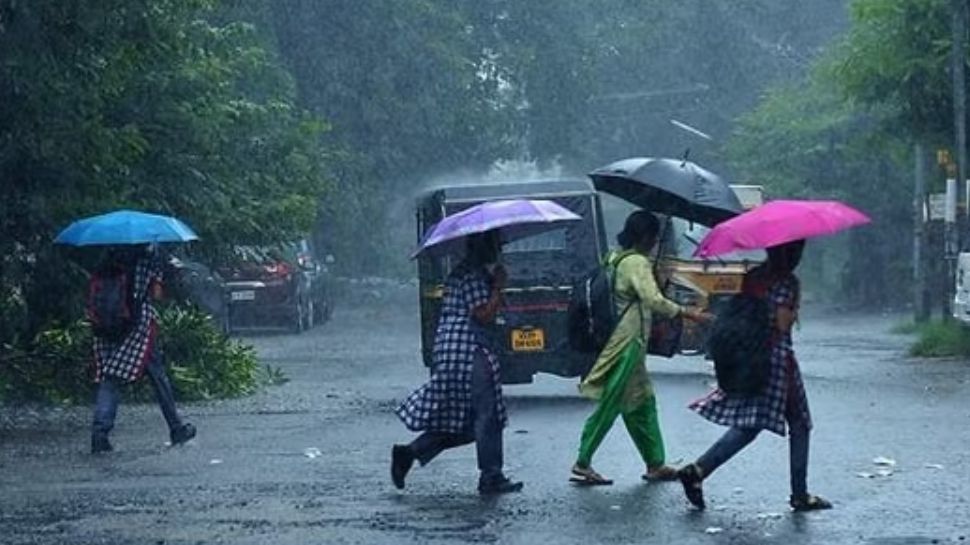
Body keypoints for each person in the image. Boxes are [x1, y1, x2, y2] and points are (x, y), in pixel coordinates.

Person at [677, 240, 832, 512]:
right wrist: (795, 309)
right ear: (792, 253)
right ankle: (800, 494)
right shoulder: (787, 282)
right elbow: (782, 325)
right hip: (777, 360)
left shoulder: (753, 276)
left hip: (750, 356)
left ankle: (699, 470)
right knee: (799, 423)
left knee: (751, 425)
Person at [570, 211, 710, 485]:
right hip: (626, 344)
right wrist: (689, 313)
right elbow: (654, 300)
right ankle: (583, 461)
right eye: (655, 237)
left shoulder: (616, 258)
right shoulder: (636, 263)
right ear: (646, 237)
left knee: (642, 402)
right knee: (612, 402)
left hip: (629, 342)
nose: (656, 242)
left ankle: (655, 462)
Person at [392, 231, 522, 495]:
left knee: (466, 422)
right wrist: (498, 287)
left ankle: (411, 452)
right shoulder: (472, 276)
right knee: (487, 416)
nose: (499, 248)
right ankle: (491, 476)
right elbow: (483, 315)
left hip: (454, 350)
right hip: (468, 350)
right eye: (495, 243)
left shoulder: (467, 274)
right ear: (482, 246)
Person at [90, 245, 196, 454]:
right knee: (158, 377)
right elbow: (156, 293)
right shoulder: (148, 257)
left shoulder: (107, 257)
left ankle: (99, 434)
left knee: (110, 378)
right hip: (138, 327)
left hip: (107, 328)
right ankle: (176, 427)